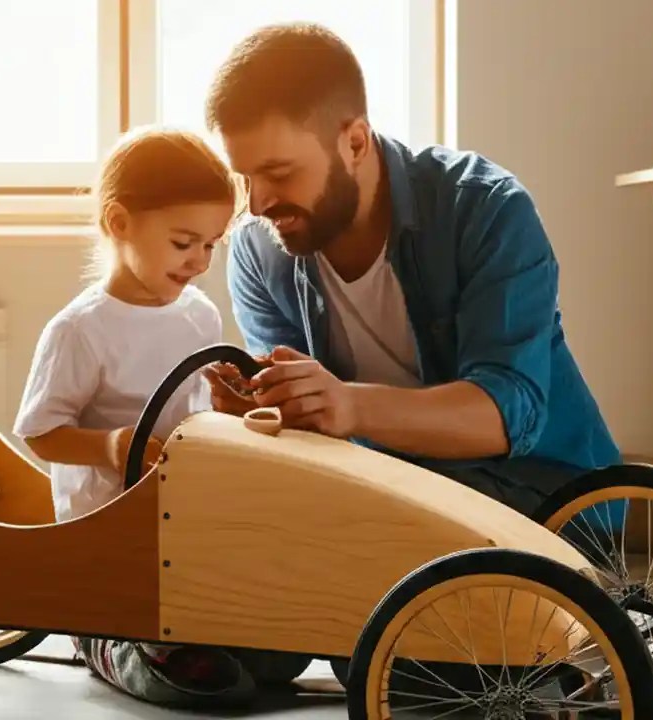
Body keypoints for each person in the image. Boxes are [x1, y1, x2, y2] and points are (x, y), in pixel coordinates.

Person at [201, 22, 622, 517]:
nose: (258, 203)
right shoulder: (259, 250)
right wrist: (269, 407)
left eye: (278, 173)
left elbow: (505, 415)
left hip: (542, 491)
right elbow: (307, 433)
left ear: (355, 142)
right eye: (245, 177)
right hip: (386, 490)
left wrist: (349, 405)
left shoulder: (484, 209)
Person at [12, 125, 310, 708]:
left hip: (181, 520)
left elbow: (193, 402)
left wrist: (236, 395)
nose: (199, 261)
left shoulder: (196, 315)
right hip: (108, 535)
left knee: (279, 649)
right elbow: (41, 434)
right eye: (183, 243)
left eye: (211, 245)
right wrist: (110, 446)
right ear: (119, 223)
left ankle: (198, 638)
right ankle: (100, 640)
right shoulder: (80, 330)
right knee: (180, 672)